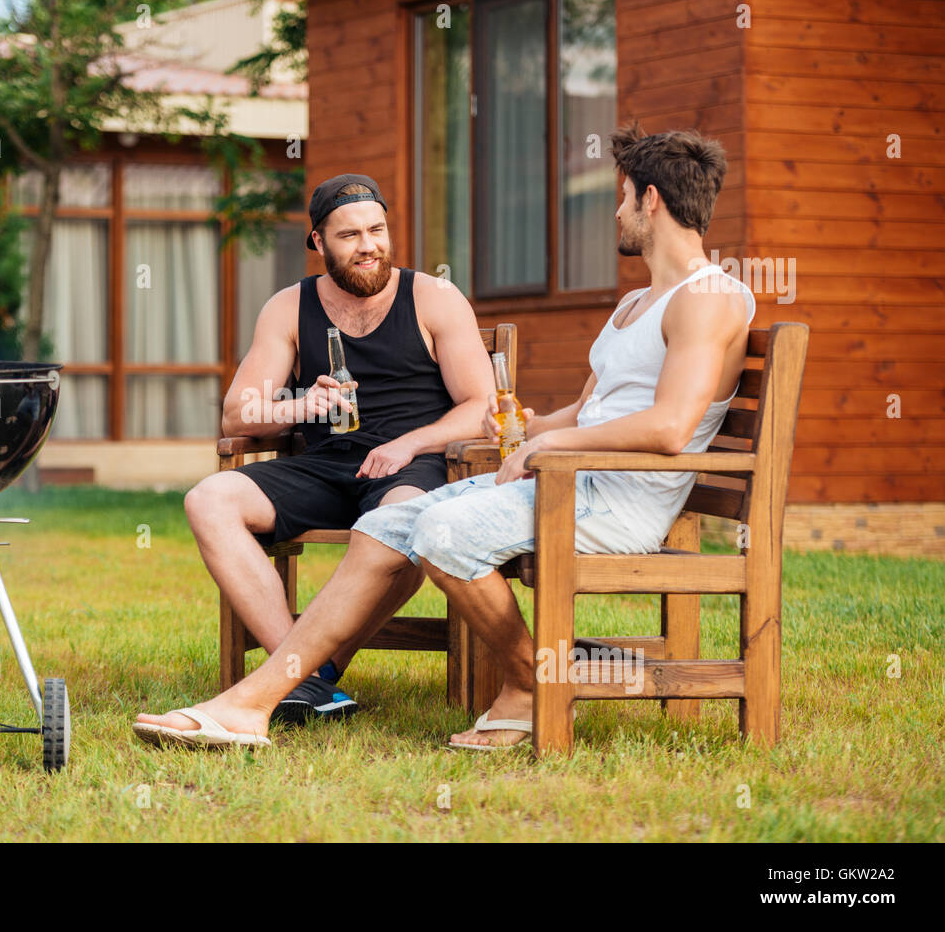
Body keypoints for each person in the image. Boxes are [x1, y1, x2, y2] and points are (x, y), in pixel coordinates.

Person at [135, 123, 755, 750]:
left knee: (435, 529)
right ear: (320, 240)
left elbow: (672, 428)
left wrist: (545, 447)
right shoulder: (636, 305)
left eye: (623, 197)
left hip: (615, 498)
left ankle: (525, 683)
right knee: (384, 530)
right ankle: (275, 696)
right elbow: (585, 413)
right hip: (573, 480)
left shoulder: (707, 297)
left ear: (650, 199)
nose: (617, 211)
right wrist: (530, 427)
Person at [181, 173, 493, 725]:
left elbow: (481, 408)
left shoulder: (434, 297)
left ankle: (294, 678)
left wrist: (408, 444)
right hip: (325, 465)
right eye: (349, 235)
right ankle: (307, 678)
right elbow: (238, 414)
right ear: (318, 242)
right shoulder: (288, 306)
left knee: (402, 521)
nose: (368, 245)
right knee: (210, 499)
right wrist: (302, 406)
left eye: (377, 229)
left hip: (411, 466)